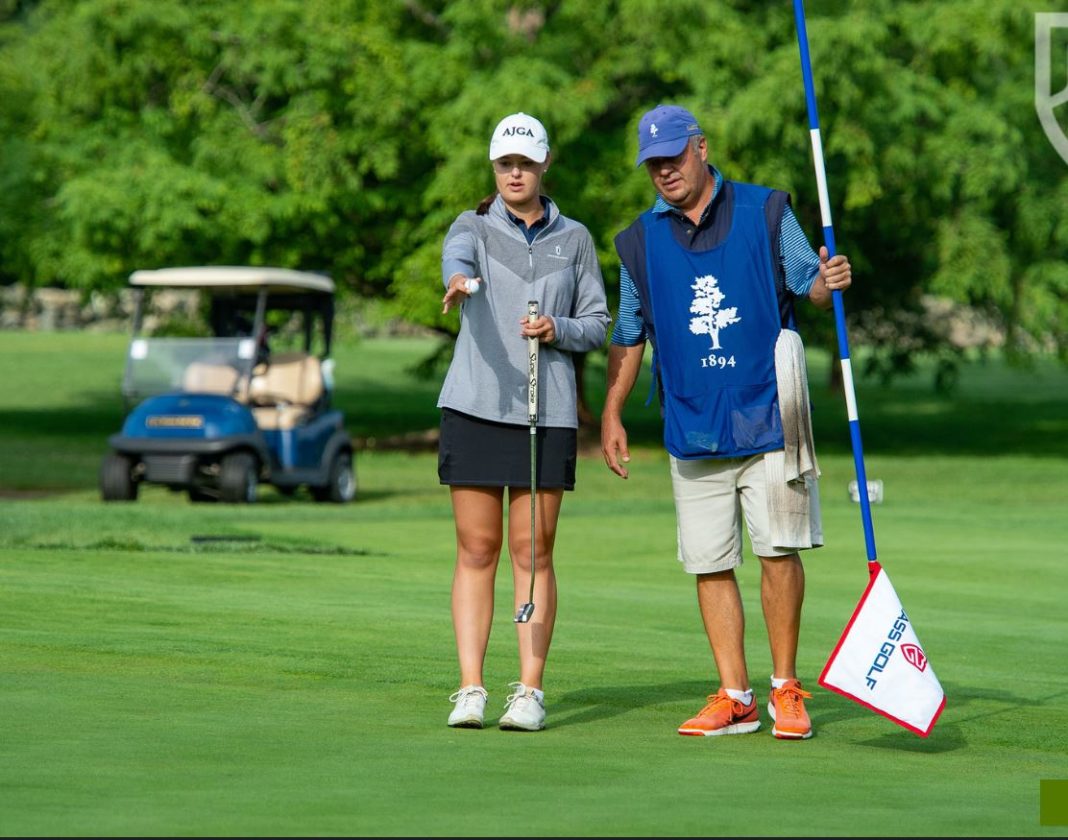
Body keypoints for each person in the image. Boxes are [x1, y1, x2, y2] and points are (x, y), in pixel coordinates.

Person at [600, 104, 853, 740]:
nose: (664, 171)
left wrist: (827, 282)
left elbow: (810, 285)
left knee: (777, 551)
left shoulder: (765, 211)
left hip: (770, 413)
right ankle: (734, 694)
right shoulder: (639, 240)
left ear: (702, 148)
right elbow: (630, 334)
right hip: (694, 423)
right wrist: (611, 411)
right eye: (653, 164)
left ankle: (786, 688)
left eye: (674, 157)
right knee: (710, 561)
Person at [438, 112, 610, 732]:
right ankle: (470, 688)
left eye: (526, 163)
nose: (516, 173)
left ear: (544, 165)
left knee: (532, 551)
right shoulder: (473, 227)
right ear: (494, 167)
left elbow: (598, 321)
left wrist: (556, 328)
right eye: (505, 164)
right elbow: (456, 257)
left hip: (547, 410)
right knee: (477, 548)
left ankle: (529, 692)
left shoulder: (577, 239)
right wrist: (457, 281)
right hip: (476, 403)